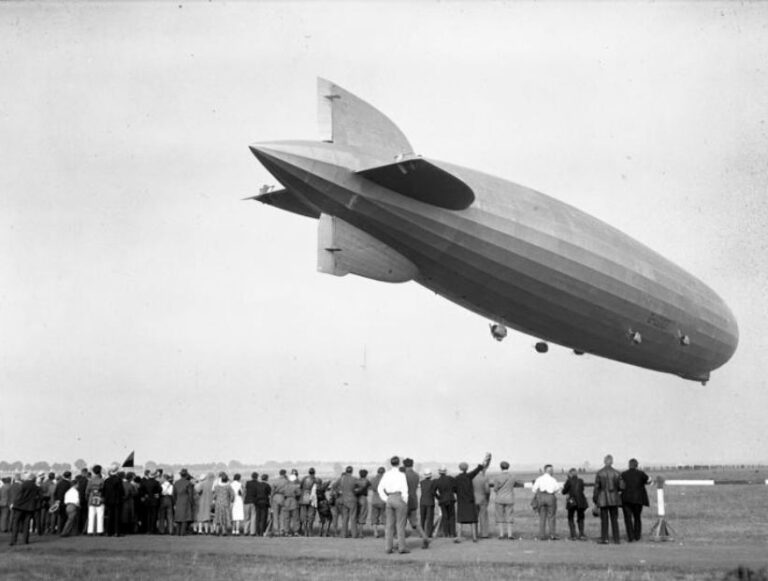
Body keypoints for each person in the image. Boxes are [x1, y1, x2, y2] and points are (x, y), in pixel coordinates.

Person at [454, 453, 492, 543]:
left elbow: (454, 489)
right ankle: (474, 537)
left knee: (460, 520)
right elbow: (479, 468)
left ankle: (459, 536)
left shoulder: (456, 478)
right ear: (467, 468)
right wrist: (485, 460)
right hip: (470, 500)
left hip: (461, 500)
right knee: (473, 519)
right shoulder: (469, 476)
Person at [378, 455, 409, 554]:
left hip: (390, 498)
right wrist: (405, 501)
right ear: (399, 463)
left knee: (389, 525)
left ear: (390, 463)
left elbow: (380, 488)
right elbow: (405, 490)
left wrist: (385, 498)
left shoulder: (386, 474)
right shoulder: (401, 475)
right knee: (400, 525)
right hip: (398, 497)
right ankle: (402, 547)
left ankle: (388, 547)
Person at [593, 454, 623, 544]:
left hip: (602, 499)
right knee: (614, 519)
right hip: (614, 498)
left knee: (604, 520)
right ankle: (616, 539)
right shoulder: (617, 473)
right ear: (612, 462)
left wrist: (595, 500)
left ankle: (605, 538)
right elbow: (621, 487)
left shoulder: (599, 473)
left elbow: (596, 488)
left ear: (604, 461)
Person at [621, 458, 651, 542]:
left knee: (627, 518)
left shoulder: (623, 474)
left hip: (626, 499)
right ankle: (637, 536)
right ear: (637, 465)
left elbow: (620, 485)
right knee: (637, 517)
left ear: (629, 465)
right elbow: (649, 480)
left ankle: (630, 537)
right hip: (638, 499)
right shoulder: (641, 474)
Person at [402, 458, 429, 549]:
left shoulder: (403, 475)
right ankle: (424, 537)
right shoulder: (416, 475)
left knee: (401, 523)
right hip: (413, 499)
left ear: (404, 465)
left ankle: (402, 543)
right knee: (415, 522)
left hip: (404, 500)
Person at [531, 464, 562, 540]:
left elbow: (534, 489)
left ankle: (542, 535)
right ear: (550, 471)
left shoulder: (539, 479)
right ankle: (552, 534)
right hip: (550, 497)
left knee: (542, 517)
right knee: (551, 517)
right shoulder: (553, 479)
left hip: (541, 497)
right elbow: (557, 490)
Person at [490, 460, 520, 540]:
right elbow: (516, 483)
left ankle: (501, 534)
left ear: (501, 467)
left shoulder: (497, 477)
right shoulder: (512, 477)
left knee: (500, 517)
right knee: (509, 517)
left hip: (499, 499)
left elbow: (495, 489)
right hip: (509, 498)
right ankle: (510, 534)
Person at [9, 473, 40, 546]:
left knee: (16, 523)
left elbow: (19, 495)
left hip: (20, 506)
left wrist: (14, 503)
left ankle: (13, 540)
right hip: (29, 507)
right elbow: (38, 496)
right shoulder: (36, 487)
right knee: (26, 524)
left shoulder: (23, 484)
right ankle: (25, 540)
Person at [562, 468, 589, 540]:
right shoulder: (581, 481)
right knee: (580, 517)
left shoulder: (569, 481)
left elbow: (564, 491)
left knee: (570, 517)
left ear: (570, 474)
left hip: (571, 501)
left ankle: (573, 535)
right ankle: (581, 534)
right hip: (581, 501)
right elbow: (582, 489)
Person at [333, 466, 358, 538]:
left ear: (346, 471)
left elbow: (334, 486)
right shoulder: (354, 479)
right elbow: (361, 486)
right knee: (353, 517)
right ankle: (354, 534)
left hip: (343, 500)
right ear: (352, 471)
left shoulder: (341, 479)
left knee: (345, 518)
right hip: (352, 499)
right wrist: (355, 491)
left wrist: (339, 491)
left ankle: (344, 534)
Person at [433, 466, 456, 538]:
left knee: (445, 516)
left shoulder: (437, 481)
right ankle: (452, 533)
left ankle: (446, 533)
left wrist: (438, 497)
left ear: (439, 472)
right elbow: (455, 487)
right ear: (445, 471)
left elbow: (432, 491)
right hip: (450, 499)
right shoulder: (450, 479)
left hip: (442, 500)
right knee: (452, 516)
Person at [103, 465, 125, 537]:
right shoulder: (119, 480)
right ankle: (116, 532)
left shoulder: (106, 480)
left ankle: (108, 531)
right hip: (117, 500)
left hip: (109, 501)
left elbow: (104, 491)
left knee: (110, 516)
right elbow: (122, 491)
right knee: (117, 517)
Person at [173, 469, 195, 536]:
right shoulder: (188, 483)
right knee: (184, 518)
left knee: (178, 518)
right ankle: (182, 533)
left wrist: (175, 502)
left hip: (178, 501)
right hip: (186, 501)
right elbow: (190, 495)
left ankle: (178, 533)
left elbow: (174, 494)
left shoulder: (176, 483)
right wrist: (192, 504)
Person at [85, 465, 105, 536]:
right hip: (100, 499)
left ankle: (90, 531)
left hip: (91, 499)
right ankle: (100, 531)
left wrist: (87, 498)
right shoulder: (102, 480)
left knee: (91, 516)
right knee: (100, 516)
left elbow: (87, 491)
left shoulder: (90, 481)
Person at [298, 468, 318, 536]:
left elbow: (300, 487)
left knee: (303, 514)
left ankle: (305, 530)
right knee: (311, 514)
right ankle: (310, 530)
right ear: (314, 472)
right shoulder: (316, 479)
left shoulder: (304, 478)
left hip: (304, 496)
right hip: (312, 497)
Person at [473, 465, 491, 538]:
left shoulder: (472, 478)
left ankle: (475, 533)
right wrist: (488, 498)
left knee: (474, 517)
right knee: (483, 516)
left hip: (474, 499)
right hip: (483, 499)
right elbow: (487, 490)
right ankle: (484, 534)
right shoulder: (485, 478)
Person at [368, 467, 387, 539]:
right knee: (385, 517)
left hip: (374, 500)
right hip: (383, 500)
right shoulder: (386, 479)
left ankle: (375, 532)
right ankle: (386, 532)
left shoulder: (373, 479)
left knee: (374, 517)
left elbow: (370, 488)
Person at [419, 468, 438, 538]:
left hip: (422, 502)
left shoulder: (421, 482)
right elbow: (433, 492)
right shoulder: (433, 482)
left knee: (422, 519)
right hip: (430, 502)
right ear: (430, 475)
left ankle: (421, 533)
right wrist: (438, 497)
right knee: (429, 519)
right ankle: (428, 534)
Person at [270, 469, 288, 536]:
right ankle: (282, 529)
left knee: (275, 515)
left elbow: (272, 491)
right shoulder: (287, 481)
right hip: (283, 497)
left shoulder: (275, 481)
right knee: (282, 515)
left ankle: (276, 530)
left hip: (276, 497)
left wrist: (271, 499)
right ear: (285, 473)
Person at [354, 469, 370, 538]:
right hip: (363, 498)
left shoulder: (356, 481)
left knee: (356, 515)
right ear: (366, 475)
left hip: (356, 498)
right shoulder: (366, 481)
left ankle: (355, 532)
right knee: (362, 515)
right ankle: (360, 533)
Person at [243, 472, 259, 536]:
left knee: (247, 517)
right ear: (257, 477)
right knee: (253, 517)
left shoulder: (247, 483)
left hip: (247, 501)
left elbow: (244, 492)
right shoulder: (258, 484)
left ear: (251, 476)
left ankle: (245, 531)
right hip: (254, 502)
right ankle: (252, 532)